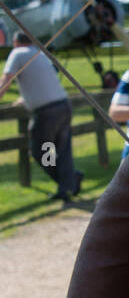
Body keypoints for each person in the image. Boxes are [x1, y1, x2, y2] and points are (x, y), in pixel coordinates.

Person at [0, 31, 82, 201]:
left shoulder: (18, 53)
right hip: (63, 106)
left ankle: (70, 180)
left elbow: (6, 79)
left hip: (46, 113)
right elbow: (42, 82)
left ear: (16, 42)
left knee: (41, 152)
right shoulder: (40, 54)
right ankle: (67, 185)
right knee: (61, 151)